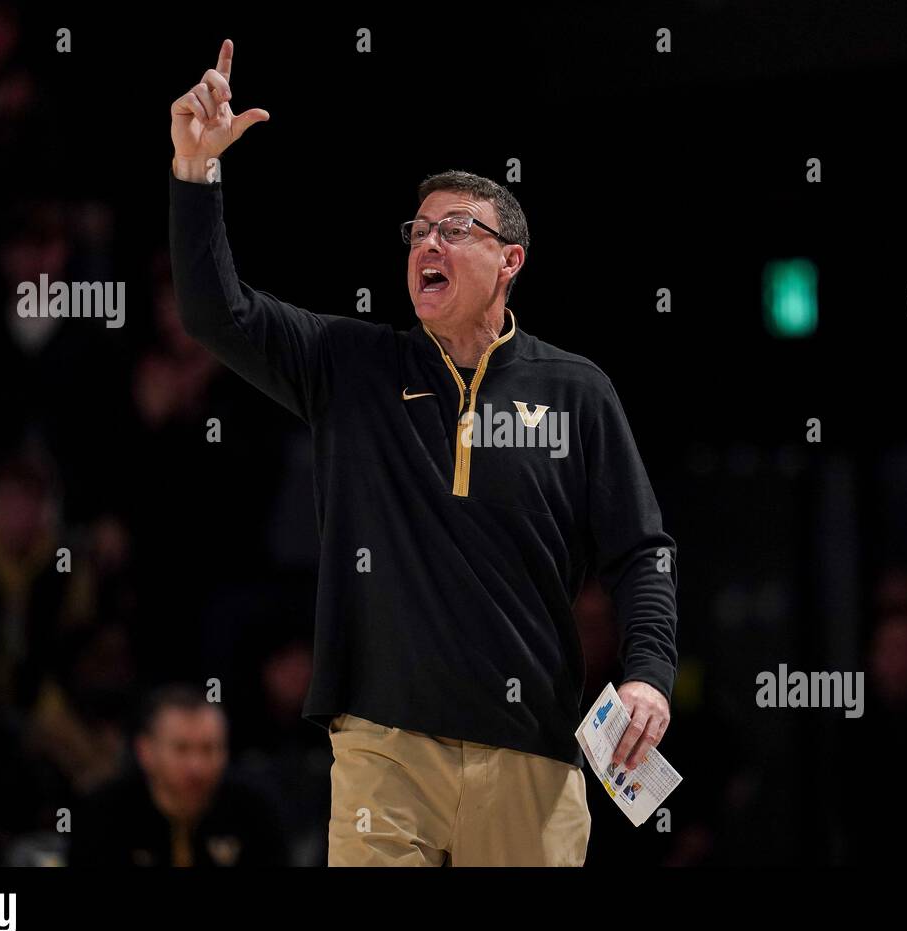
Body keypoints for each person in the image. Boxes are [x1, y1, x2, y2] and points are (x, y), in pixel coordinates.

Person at [166, 39, 679, 866]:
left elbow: (641, 551)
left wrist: (648, 672)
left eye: (455, 230)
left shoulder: (577, 391)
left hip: (532, 756)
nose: (426, 246)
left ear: (510, 260)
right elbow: (217, 317)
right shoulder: (353, 367)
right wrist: (196, 178)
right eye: (417, 232)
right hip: (383, 748)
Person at [68, 685, 286, 867]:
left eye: (209, 749)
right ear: (145, 751)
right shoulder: (103, 816)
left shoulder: (253, 813)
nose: (196, 766)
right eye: (181, 749)